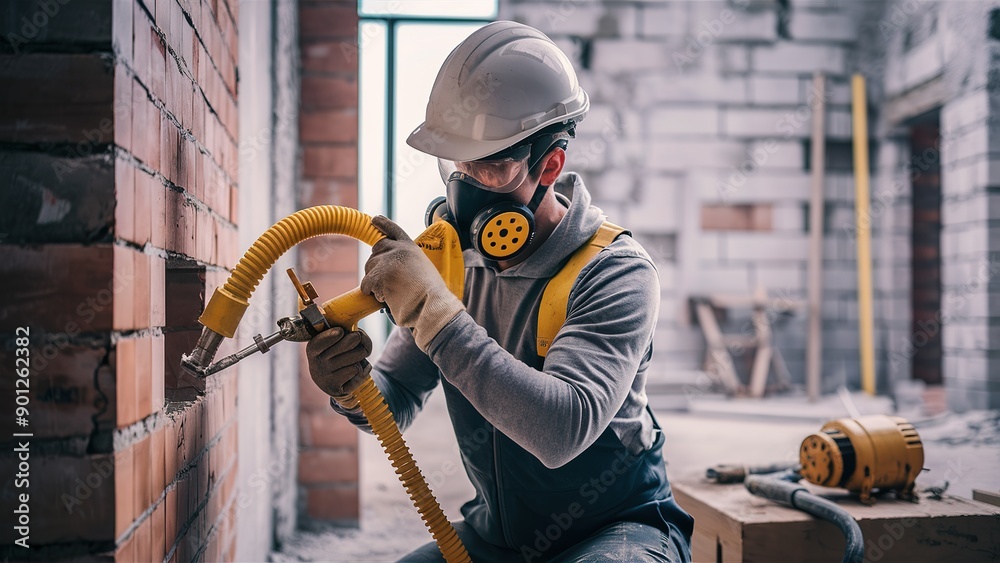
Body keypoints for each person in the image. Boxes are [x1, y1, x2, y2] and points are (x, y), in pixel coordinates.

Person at [306, 21, 694, 562]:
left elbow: (562, 429)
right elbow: (395, 396)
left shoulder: (615, 274)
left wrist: (434, 313)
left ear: (549, 166)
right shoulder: (452, 263)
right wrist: (350, 385)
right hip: (500, 538)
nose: (466, 184)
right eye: (457, 164)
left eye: (491, 166)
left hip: (615, 532)